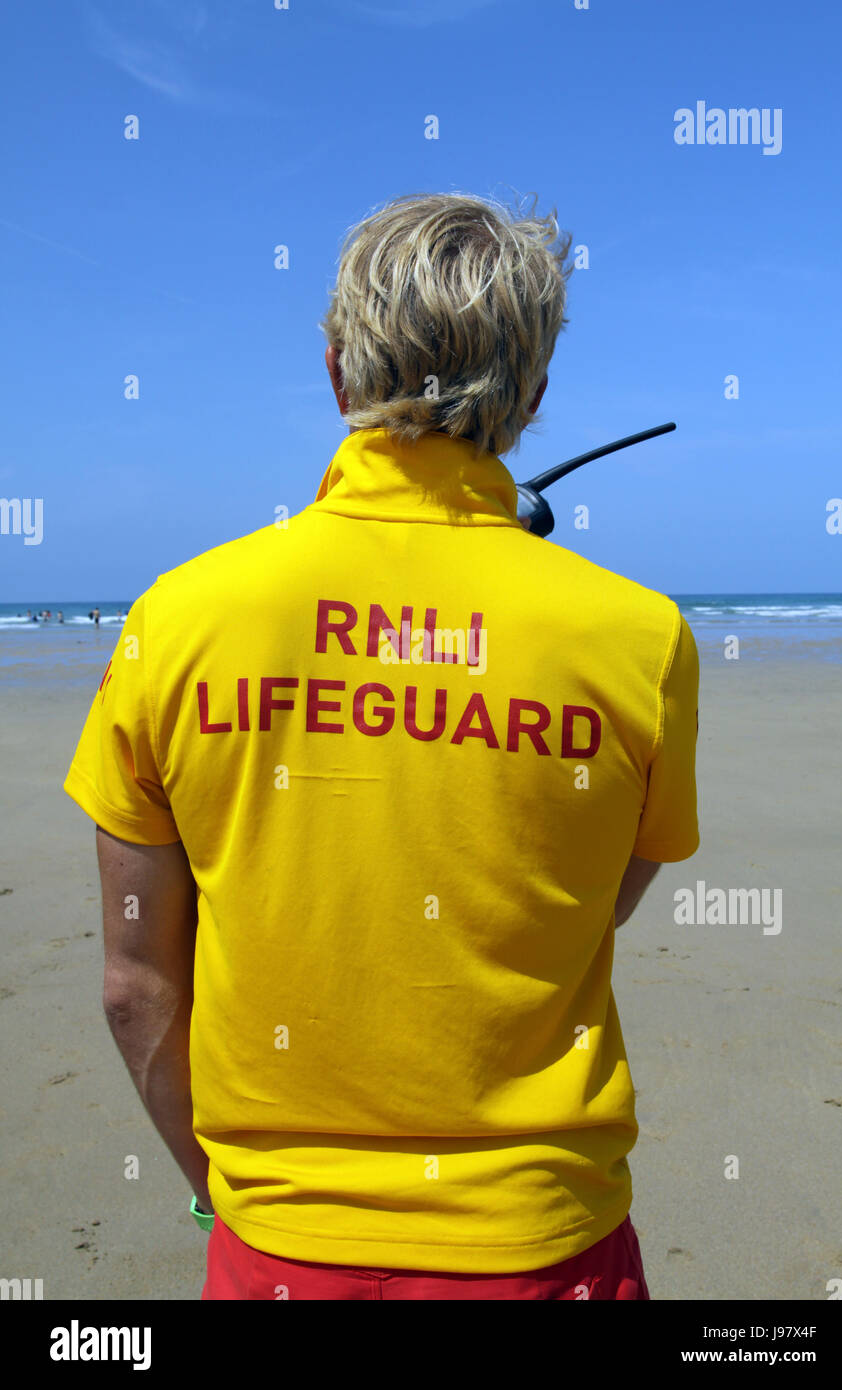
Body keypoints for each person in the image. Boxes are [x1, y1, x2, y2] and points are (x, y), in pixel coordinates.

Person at [63, 192, 699, 1301]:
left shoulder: (179, 617)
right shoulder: (639, 640)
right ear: (534, 393)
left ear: (336, 376)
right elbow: (576, 910)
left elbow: (135, 982)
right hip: (543, 1249)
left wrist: (228, 1196)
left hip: (278, 1249)